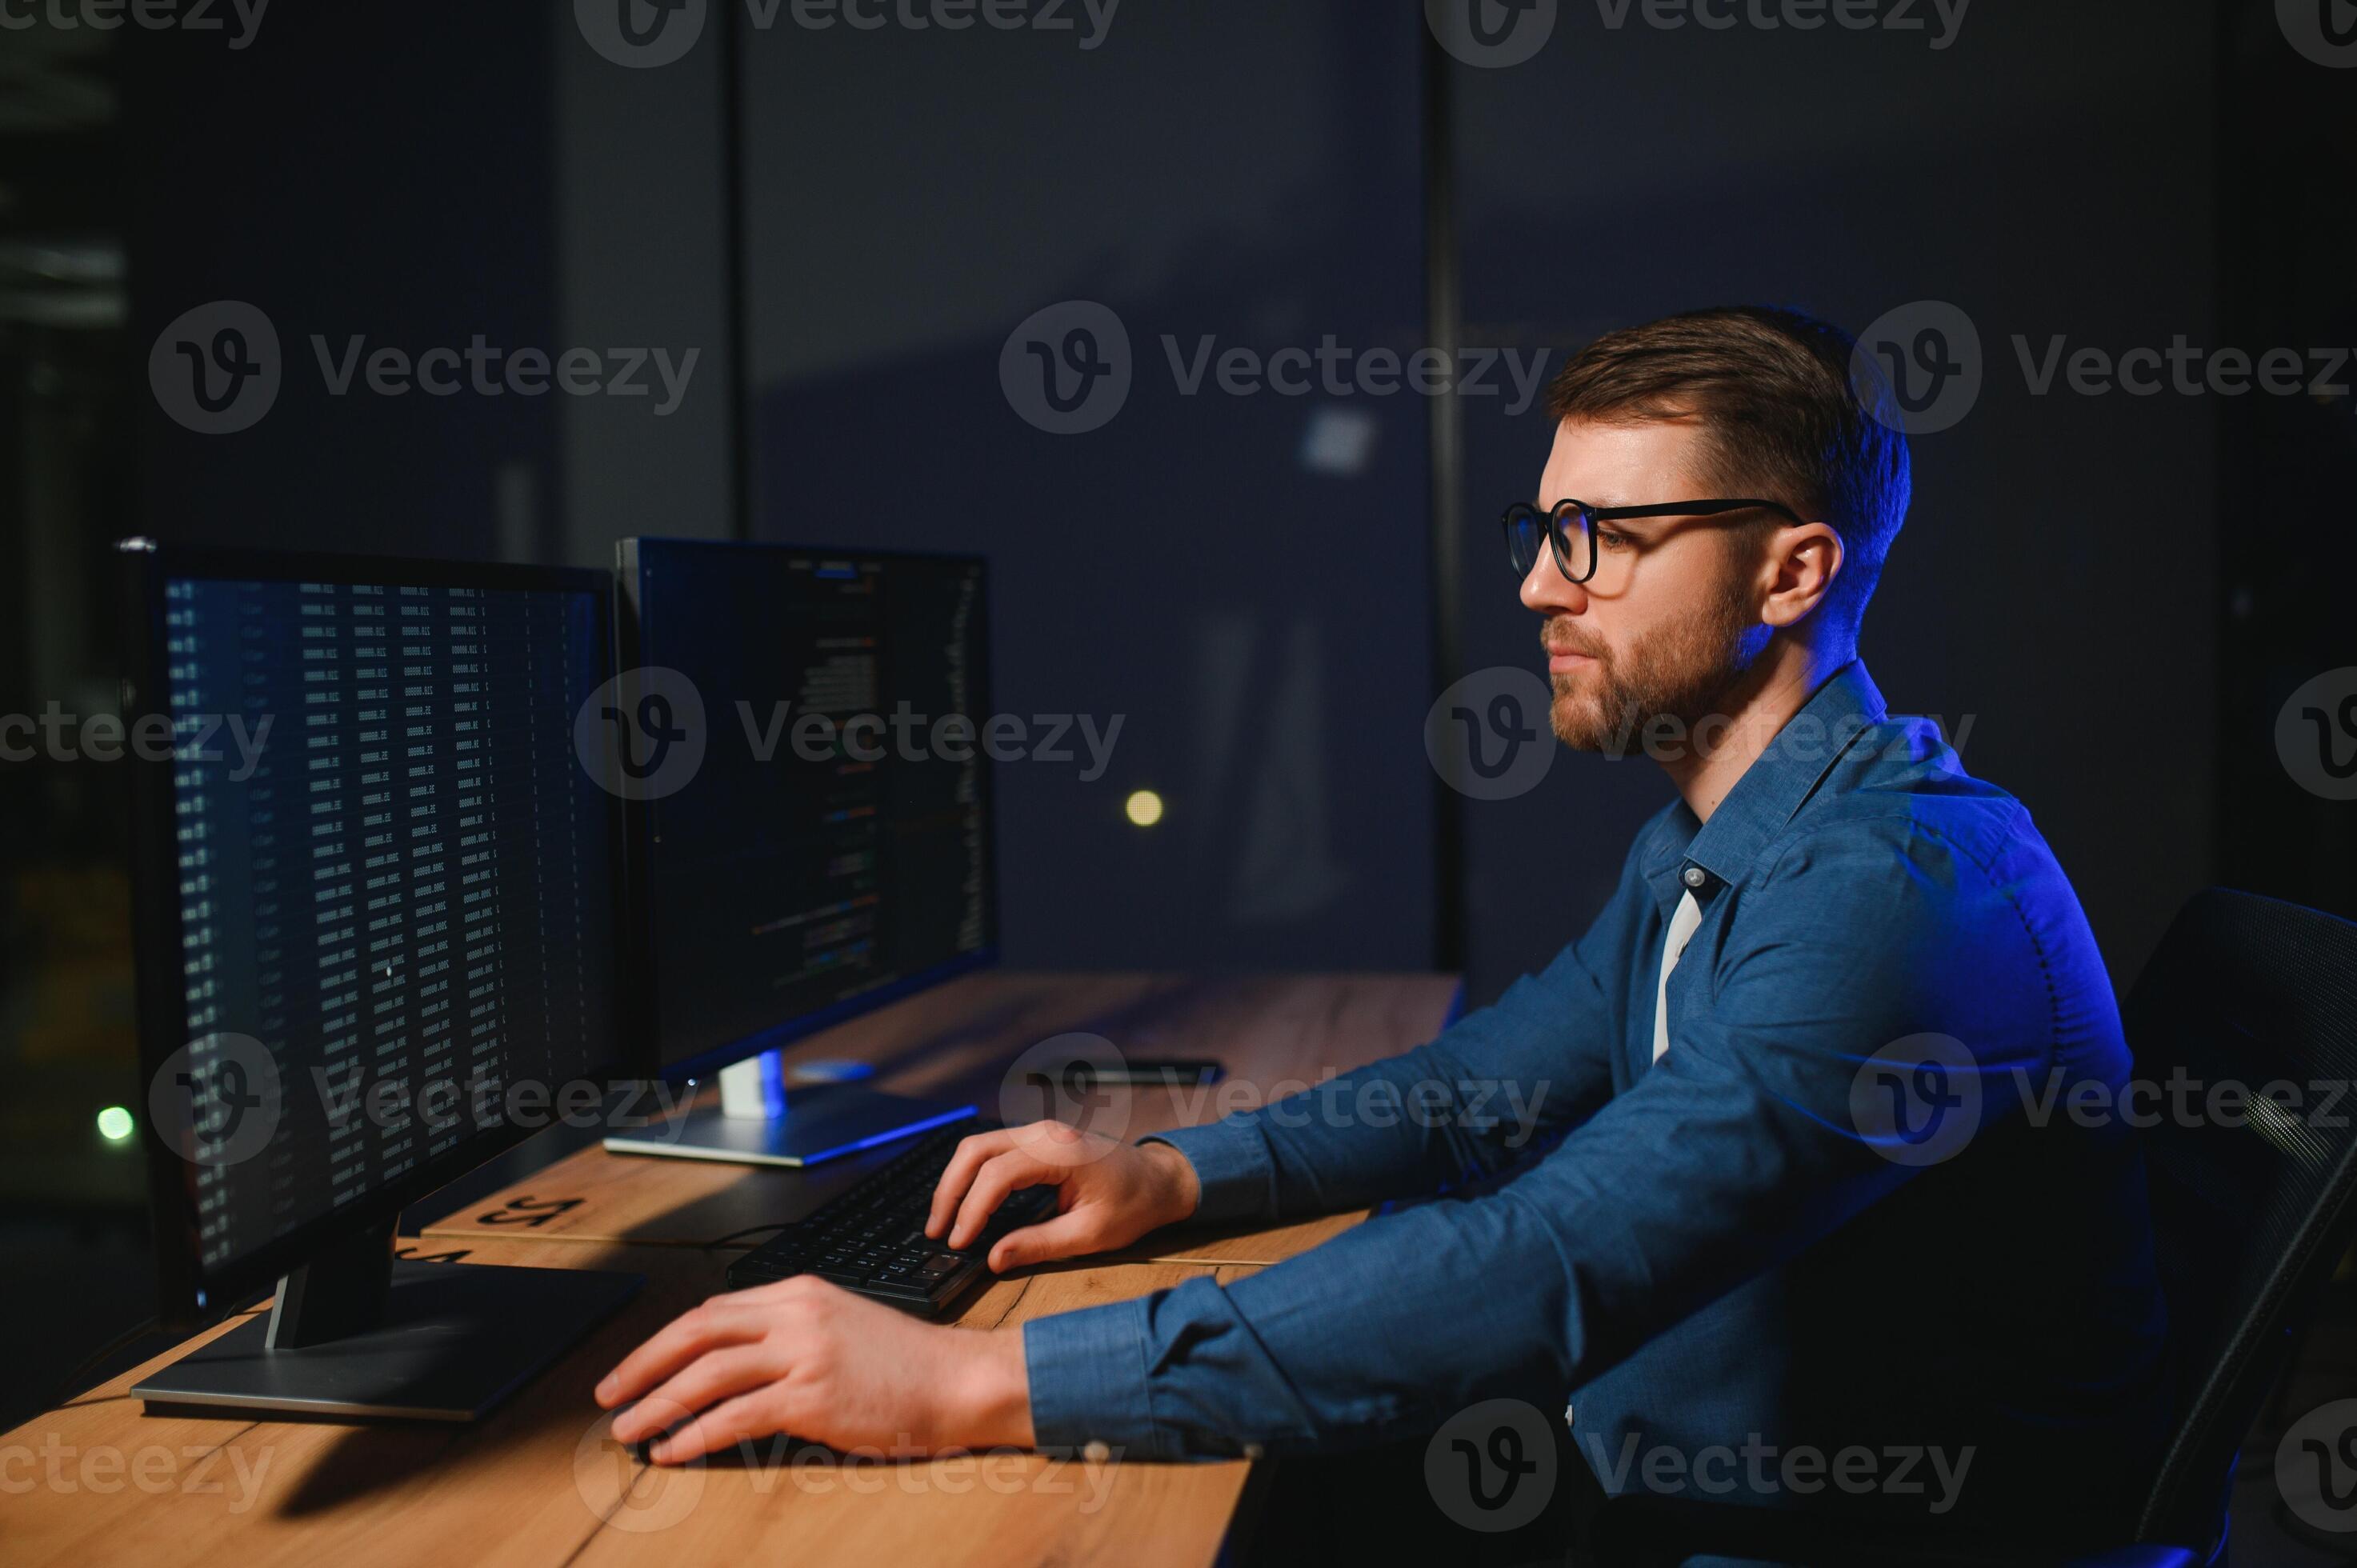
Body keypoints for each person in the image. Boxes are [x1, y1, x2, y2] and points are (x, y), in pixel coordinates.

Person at [594, 306, 2171, 1543]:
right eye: (1541, 531)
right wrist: (1171, 1171)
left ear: (1792, 567)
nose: (1545, 590)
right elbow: (1490, 1084)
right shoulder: (1727, 835)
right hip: (1683, 1484)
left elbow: (1561, 1249)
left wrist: (976, 1376)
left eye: (1601, 539)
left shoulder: (1887, 898)